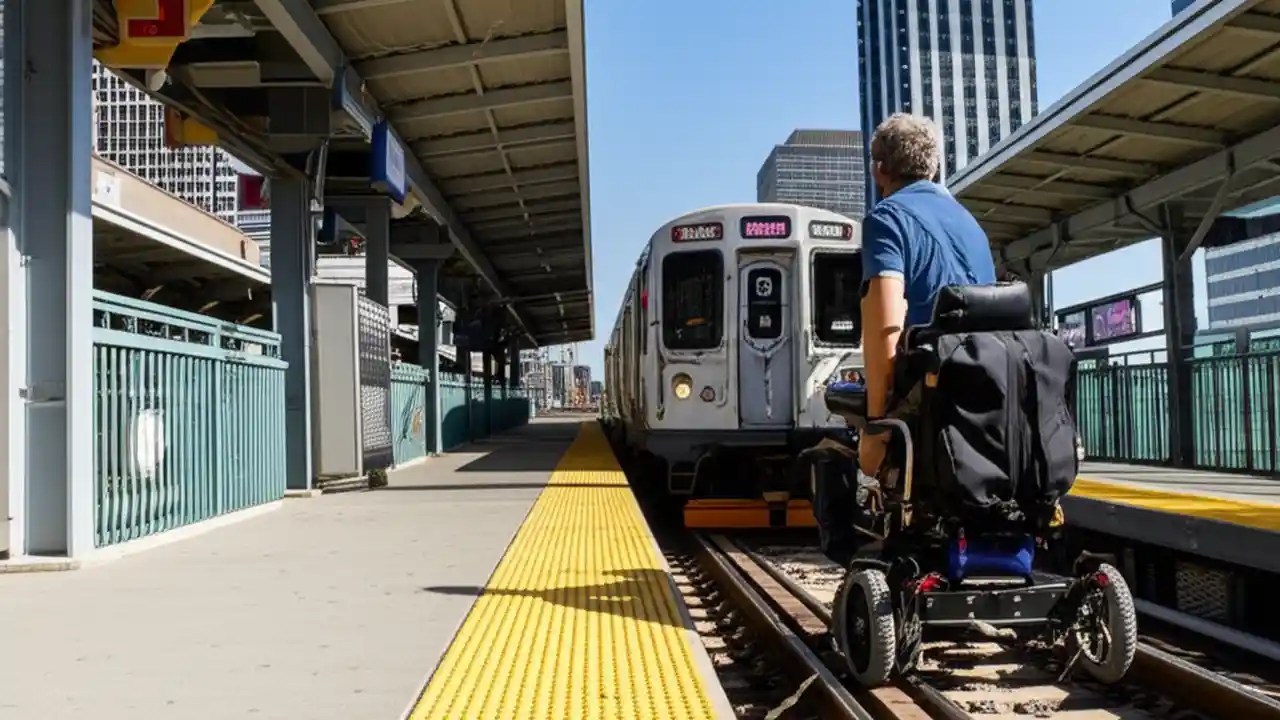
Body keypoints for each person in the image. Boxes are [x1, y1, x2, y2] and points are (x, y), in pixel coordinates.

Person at [857, 113, 997, 478]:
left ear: (879, 169)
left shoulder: (886, 218)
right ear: (933, 167)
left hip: (932, 396)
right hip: (987, 389)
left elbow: (884, 326)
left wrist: (877, 428)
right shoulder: (971, 223)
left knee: (830, 462)